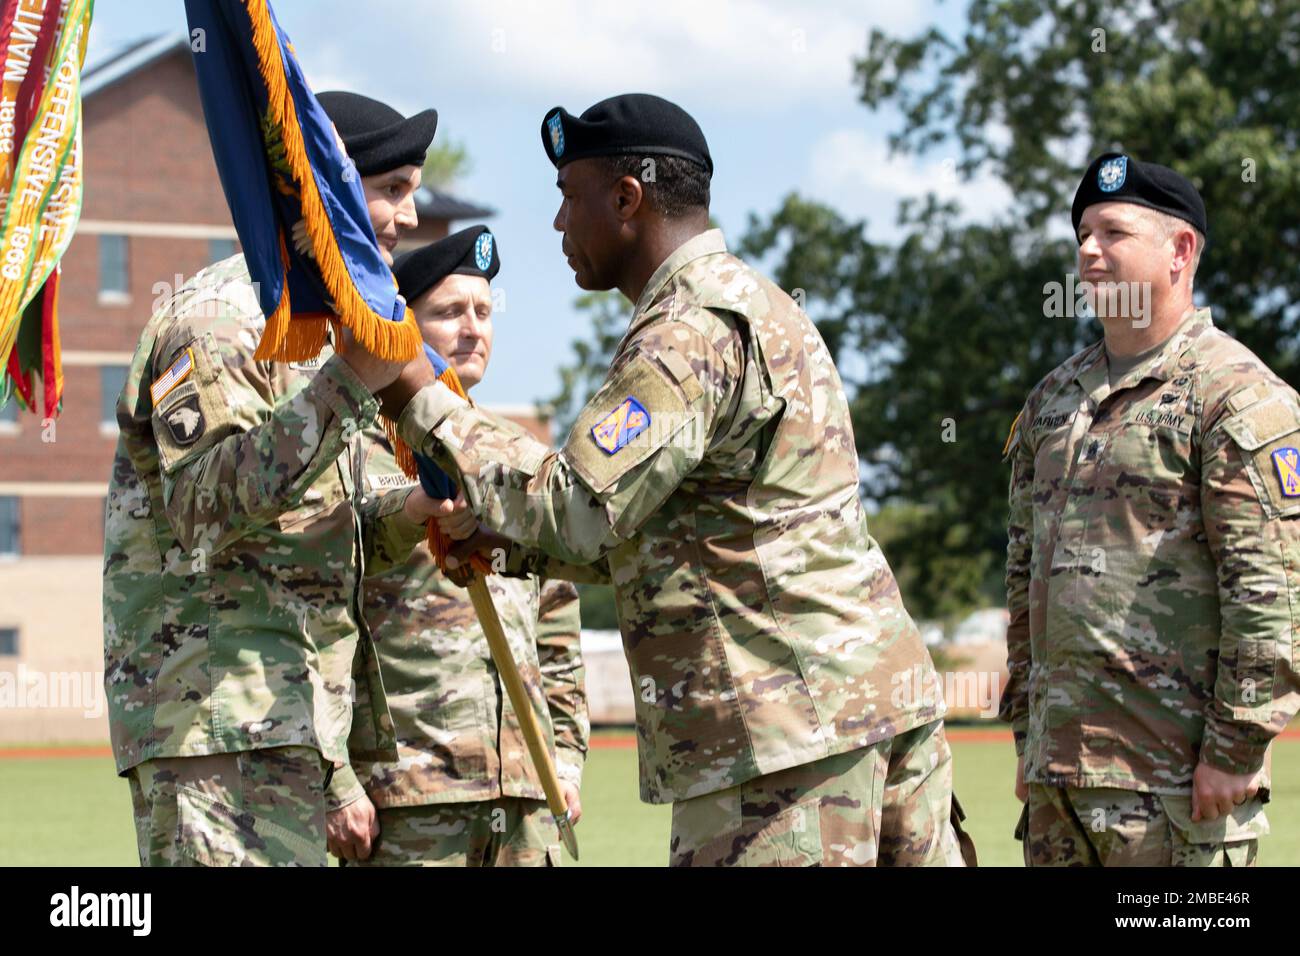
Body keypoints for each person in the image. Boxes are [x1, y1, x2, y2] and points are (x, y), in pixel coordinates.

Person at [375, 93, 971, 867]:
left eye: (569, 198)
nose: (558, 223)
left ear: (627, 199)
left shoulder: (686, 330)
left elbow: (580, 507)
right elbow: (684, 533)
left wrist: (420, 397)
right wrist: (502, 541)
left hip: (786, 739)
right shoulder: (761, 305)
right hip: (871, 706)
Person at [103, 91, 440, 866]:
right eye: (392, 189)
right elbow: (202, 506)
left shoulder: (320, 330)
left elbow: (320, 527)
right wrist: (349, 383)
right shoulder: (223, 319)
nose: (411, 216)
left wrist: (416, 507)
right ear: (324, 193)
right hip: (214, 721)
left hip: (286, 721)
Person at [1001, 152, 1300, 866]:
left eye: (1114, 232)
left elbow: (1272, 592)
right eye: (1083, 235)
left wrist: (1234, 750)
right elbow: (1022, 577)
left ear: (1180, 250)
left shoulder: (1236, 395)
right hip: (1058, 789)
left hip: (1177, 792)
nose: (1088, 251)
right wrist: (1027, 737)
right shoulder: (1052, 400)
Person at [325, 226, 589, 867]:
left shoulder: (515, 456)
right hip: (409, 797)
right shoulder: (351, 450)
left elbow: (557, 621)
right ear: (404, 328)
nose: (473, 329)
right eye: (449, 312)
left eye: (484, 312)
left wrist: (565, 759)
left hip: (526, 797)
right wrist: (335, 779)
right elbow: (317, 616)